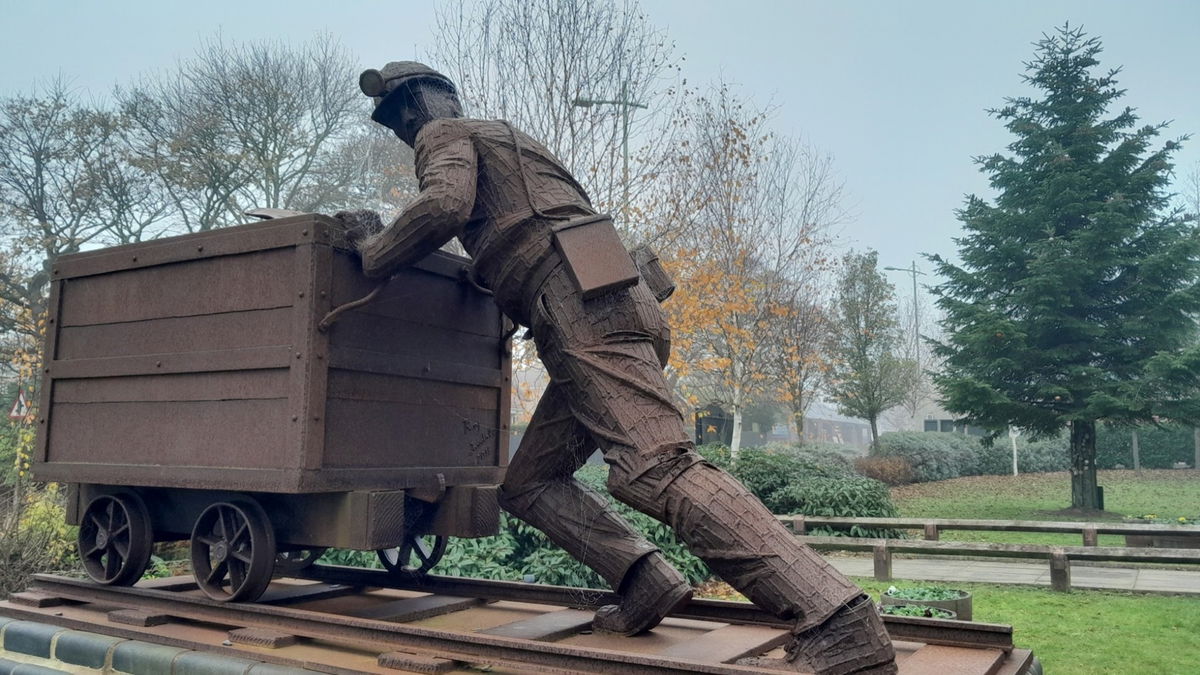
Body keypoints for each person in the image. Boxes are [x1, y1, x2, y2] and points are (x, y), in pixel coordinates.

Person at [342, 61, 896, 675]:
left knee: (654, 467)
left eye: (399, 114)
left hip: (581, 310)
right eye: (396, 122)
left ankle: (839, 621)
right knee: (530, 484)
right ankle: (643, 578)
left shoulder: (444, 136)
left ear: (425, 100)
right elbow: (515, 234)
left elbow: (445, 204)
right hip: (605, 300)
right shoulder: (511, 141)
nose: (402, 129)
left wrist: (375, 251)